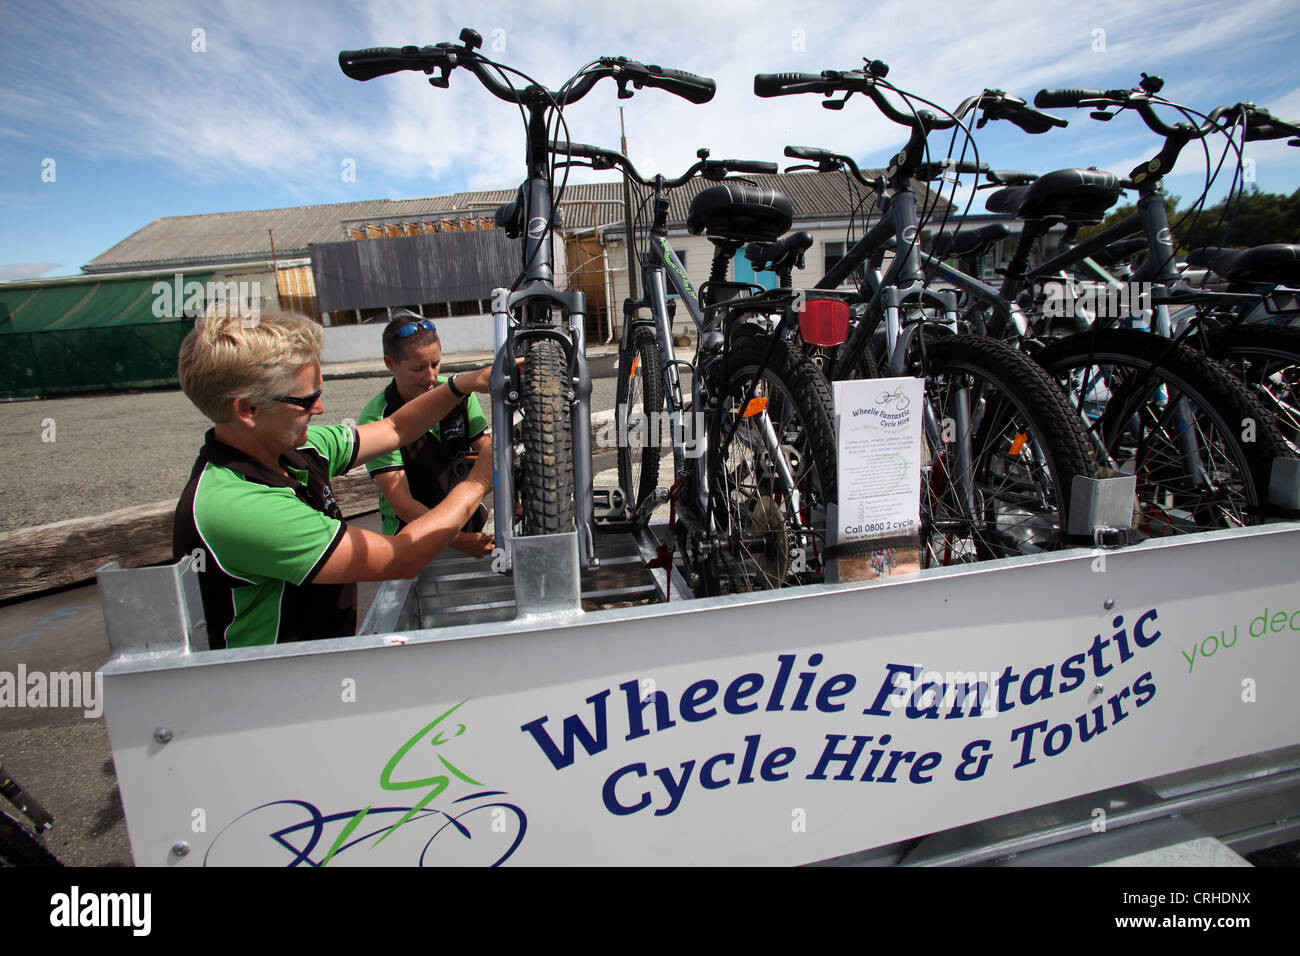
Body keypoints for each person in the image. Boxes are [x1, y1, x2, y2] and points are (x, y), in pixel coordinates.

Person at [172, 308, 494, 650]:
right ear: (247, 409)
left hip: (314, 664)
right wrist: (478, 482)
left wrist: (462, 385)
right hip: (273, 686)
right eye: (307, 399)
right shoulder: (239, 505)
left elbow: (395, 428)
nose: (321, 408)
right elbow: (401, 557)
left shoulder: (296, 446)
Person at [359, 311, 493, 557]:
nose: (430, 377)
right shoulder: (377, 417)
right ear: (390, 364)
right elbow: (401, 503)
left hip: (469, 528)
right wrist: (456, 539)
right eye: (418, 368)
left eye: (435, 364)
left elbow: (484, 447)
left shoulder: (460, 395)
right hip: (413, 538)